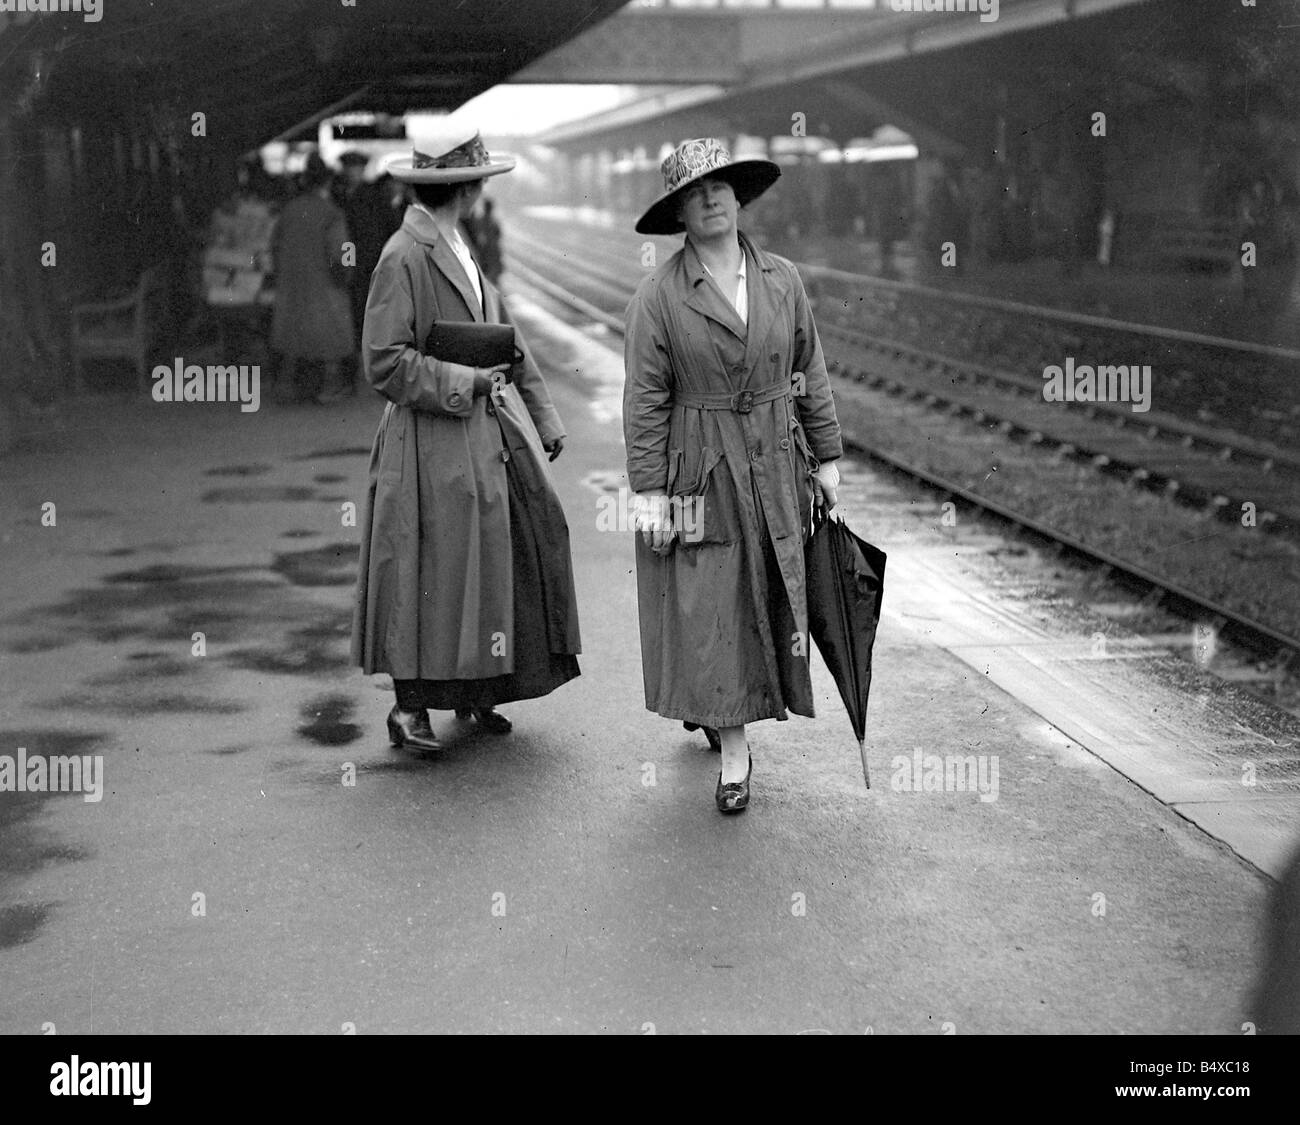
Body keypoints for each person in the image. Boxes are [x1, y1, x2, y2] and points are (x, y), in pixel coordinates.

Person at [623, 138, 844, 814]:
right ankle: (735, 748)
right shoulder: (660, 296)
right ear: (680, 211)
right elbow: (645, 401)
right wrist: (652, 494)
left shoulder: (781, 278)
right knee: (715, 607)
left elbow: (810, 365)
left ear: (738, 194)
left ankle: (724, 713)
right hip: (704, 468)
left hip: (776, 463)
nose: (712, 197)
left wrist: (827, 455)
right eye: (696, 191)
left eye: (720, 185)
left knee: (770, 596)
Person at [351, 125, 581, 753]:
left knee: (485, 564)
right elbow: (385, 363)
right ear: (471, 186)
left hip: (477, 437)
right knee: (427, 570)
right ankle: (409, 711)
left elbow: (506, 337)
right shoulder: (404, 254)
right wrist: (469, 382)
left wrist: (546, 416)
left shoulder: (455, 243)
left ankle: (475, 694)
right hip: (426, 442)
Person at [268, 152, 354, 404]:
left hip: (293, 286)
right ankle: (328, 388)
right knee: (327, 337)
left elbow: (274, 245)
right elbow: (343, 251)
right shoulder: (332, 214)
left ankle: (299, 387)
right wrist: (348, 274)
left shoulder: (289, 211)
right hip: (325, 287)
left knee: (298, 338)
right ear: (326, 183)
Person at [334, 150, 402, 365]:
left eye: (356, 169)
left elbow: (391, 229)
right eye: (349, 168)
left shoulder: (372, 196)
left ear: (362, 170)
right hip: (351, 263)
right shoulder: (338, 195)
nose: (352, 172)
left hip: (368, 264)